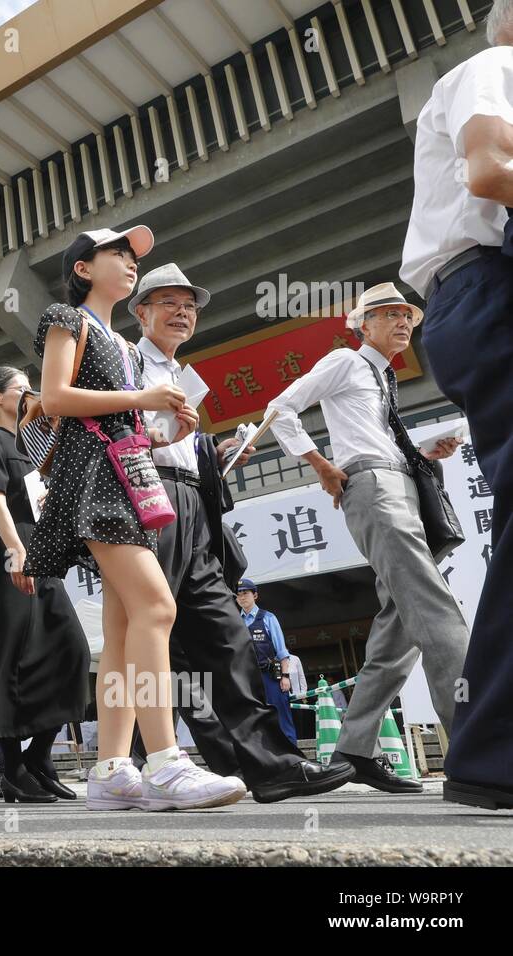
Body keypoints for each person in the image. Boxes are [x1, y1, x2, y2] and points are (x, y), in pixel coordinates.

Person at [25, 225, 246, 811]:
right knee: (157, 606)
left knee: (123, 630)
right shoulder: (65, 320)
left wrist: (159, 429)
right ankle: (168, 763)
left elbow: (117, 425)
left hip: (122, 477)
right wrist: (143, 401)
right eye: (116, 255)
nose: (128, 264)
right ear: (82, 269)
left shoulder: (121, 345)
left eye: (131, 257)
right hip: (92, 482)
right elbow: (54, 400)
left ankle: (111, 768)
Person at [127, 262, 348, 801]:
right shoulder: (126, 363)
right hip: (146, 500)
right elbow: (118, 431)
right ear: (141, 311)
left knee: (227, 638)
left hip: (193, 505)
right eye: (169, 303)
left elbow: (185, 443)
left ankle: (270, 766)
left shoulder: (185, 375)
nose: (183, 314)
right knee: (158, 640)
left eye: (191, 306)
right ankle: (142, 761)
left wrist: (222, 452)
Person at [267, 282, 469, 794]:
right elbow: (279, 408)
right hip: (373, 486)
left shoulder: (381, 378)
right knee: (435, 604)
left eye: (407, 314)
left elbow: (375, 439)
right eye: (389, 313)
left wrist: (423, 452)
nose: (403, 322)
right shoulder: (346, 362)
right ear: (361, 324)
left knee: (398, 628)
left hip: (396, 479)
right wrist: (319, 465)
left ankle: (355, 748)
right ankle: (479, 744)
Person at [400, 0, 513, 810]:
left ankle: (492, 749)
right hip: (488, 284)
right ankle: (493, 750)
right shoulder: (497, 68)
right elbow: (489, 169)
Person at [0, 364, 91, 804]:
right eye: (22, 388)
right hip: (10, 555)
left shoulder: (29, 446)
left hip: (45, 556)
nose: (31, 393)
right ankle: (12, 769)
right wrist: (15, 550)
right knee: (11, 658)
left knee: (70, 650)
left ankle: (39, 757)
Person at [232, 580, 298, 747]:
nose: (242, 597)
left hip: (270, 676)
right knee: (253, 718)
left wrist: (285, 676)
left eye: (245, 593)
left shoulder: (268, 618)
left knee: (281, 714)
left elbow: (282, 651)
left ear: (255, 595)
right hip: (248, 679)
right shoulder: (235, 622)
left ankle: (292, 751)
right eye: (239, 594)